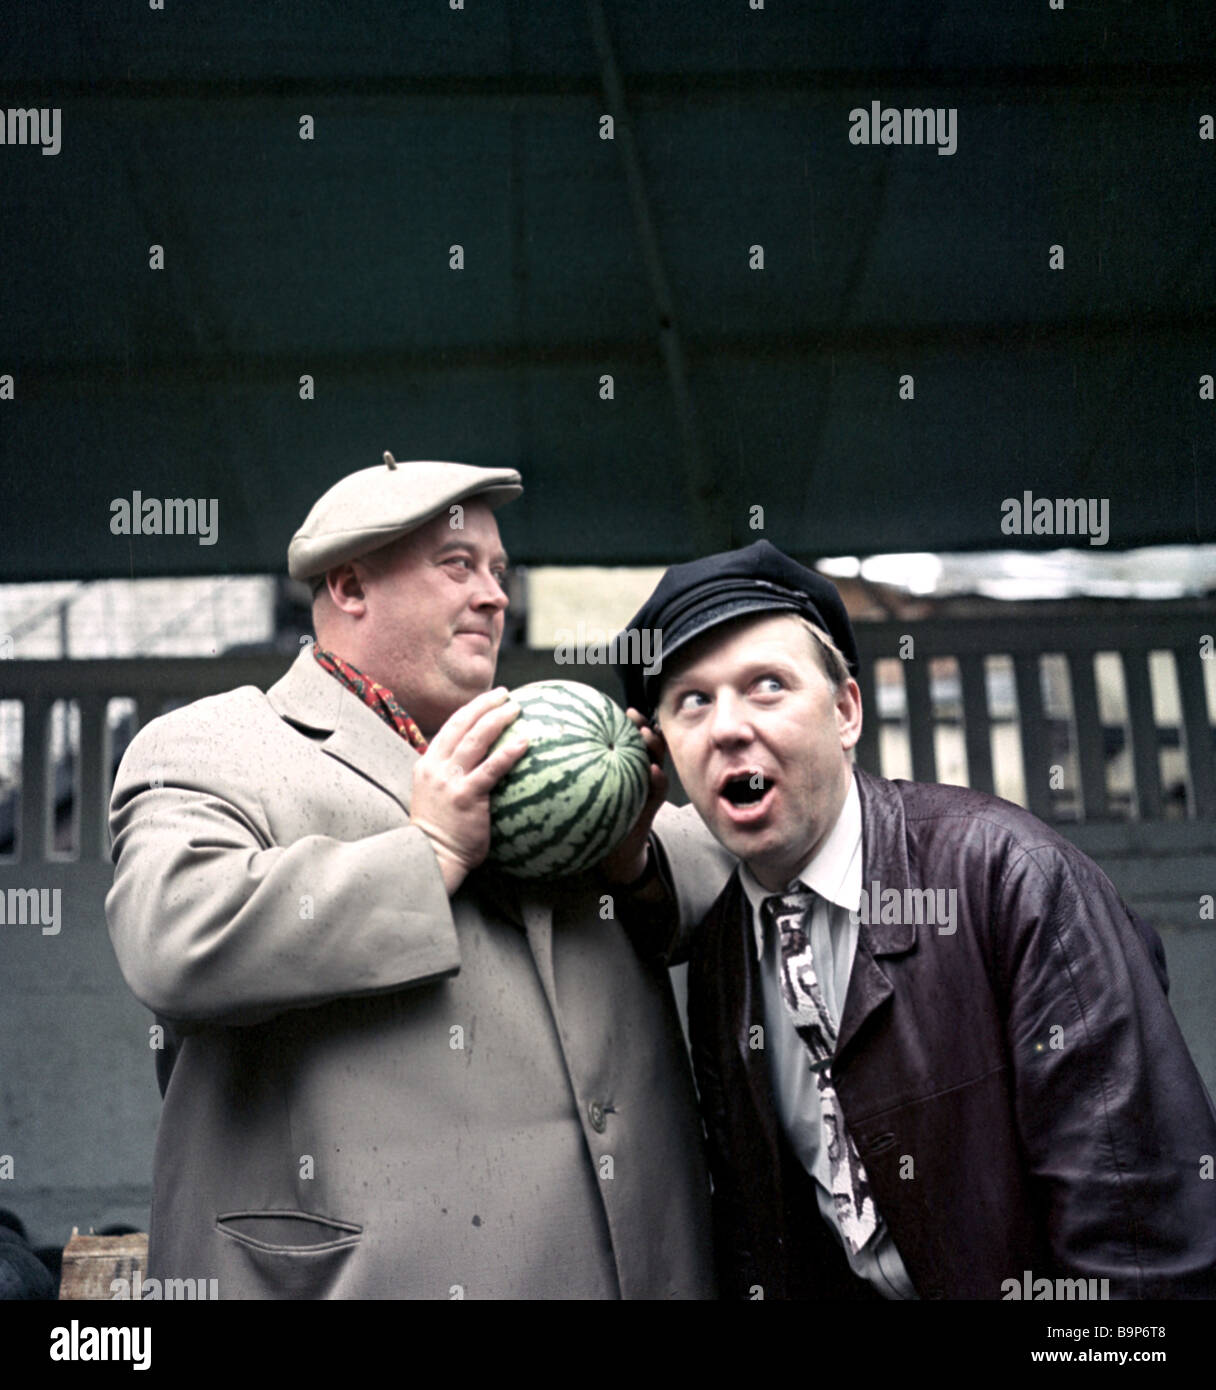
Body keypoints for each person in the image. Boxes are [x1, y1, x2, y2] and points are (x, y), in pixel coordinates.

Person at [105, 453, 726, 1299]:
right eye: (458, 565)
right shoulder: (217, 746)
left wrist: (635, 860)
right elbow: (173, 938)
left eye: (501, 571)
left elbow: (738, 879)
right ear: (351, 588)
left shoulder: (550, 746)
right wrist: (426, 849)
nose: (495, 594)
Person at [613, 539, 1216, 1301]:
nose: (727, 727)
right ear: (662, 748)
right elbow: (759, 1240)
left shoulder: (1006, 877)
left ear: (845, 711)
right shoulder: (725, 955)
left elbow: (1143, 1244)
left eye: (767, 685)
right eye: (692, 701)